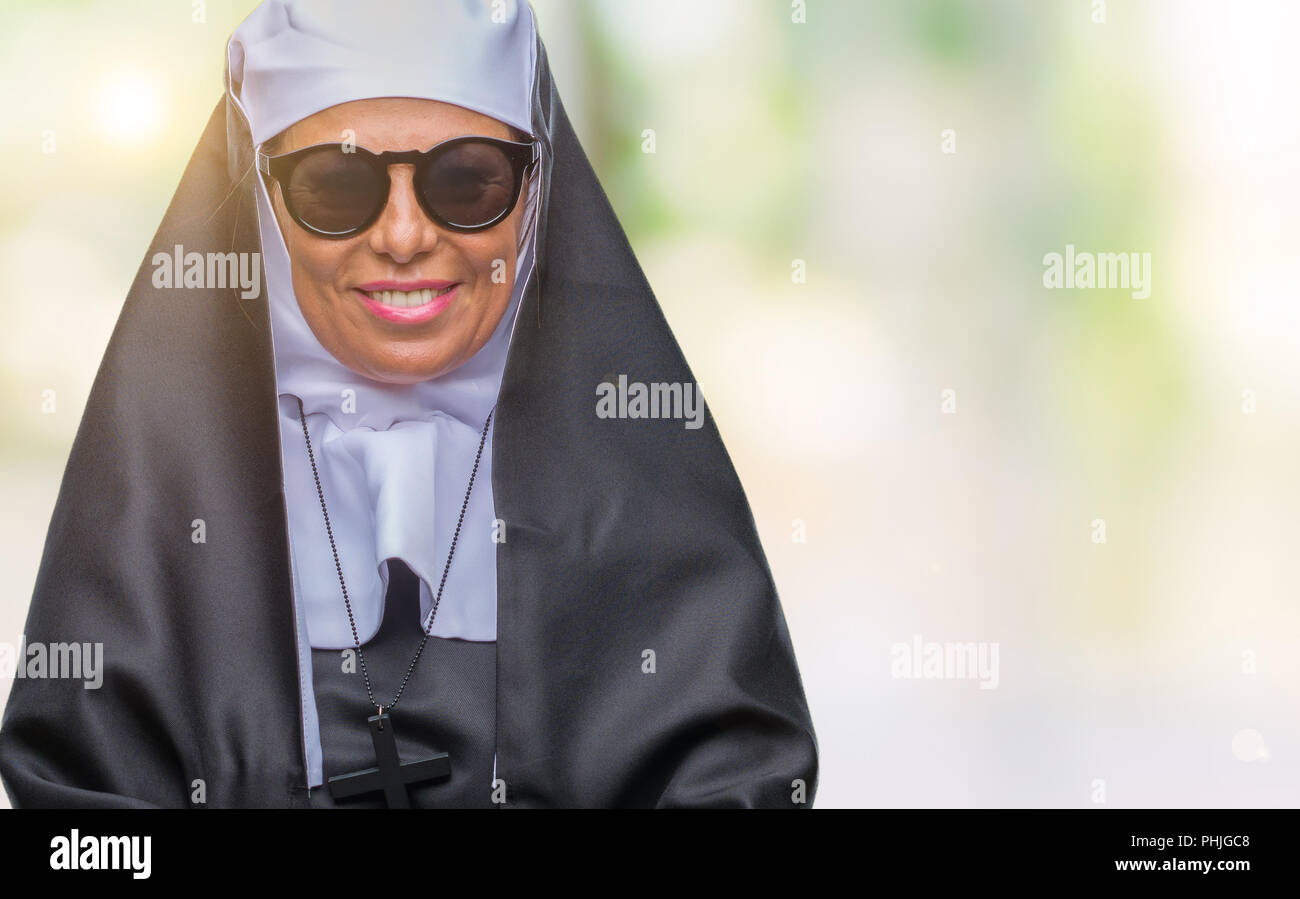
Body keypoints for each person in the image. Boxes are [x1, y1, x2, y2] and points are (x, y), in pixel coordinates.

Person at [0, 0, 818, 808]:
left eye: (466, 180)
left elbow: (742, 779)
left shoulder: (646, 504)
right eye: (333, 184)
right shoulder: (157, 503)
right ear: (259, 199)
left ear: (537, 193)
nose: (401, 235)